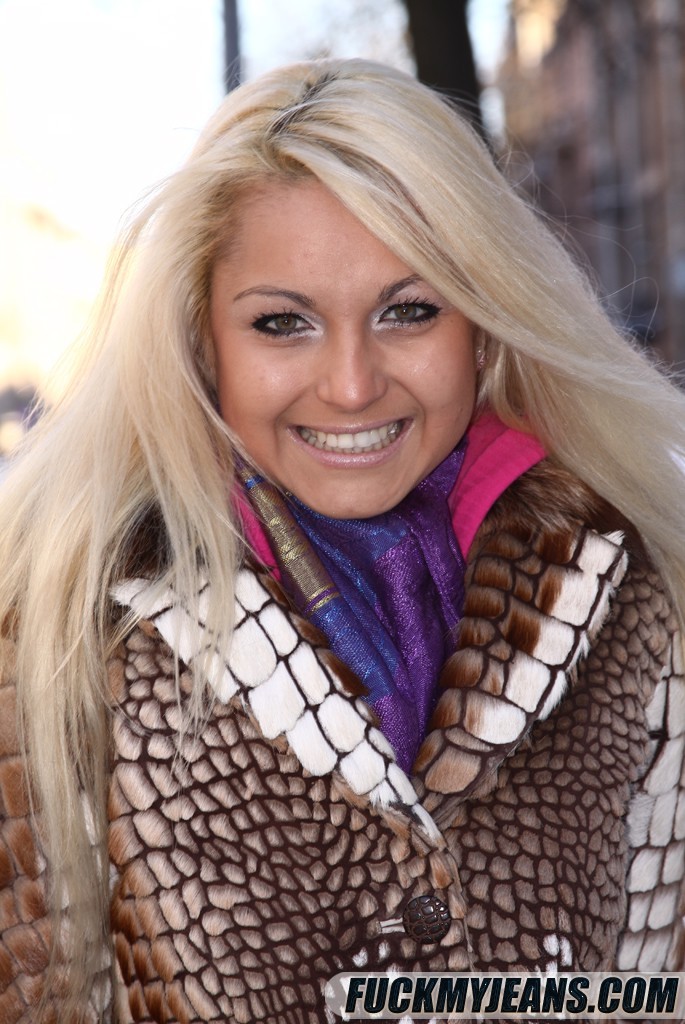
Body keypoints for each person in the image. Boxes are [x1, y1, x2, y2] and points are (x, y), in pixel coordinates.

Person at [0, 57, 684, 1024]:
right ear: (204, 341)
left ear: (482, 326)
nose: (353, 385)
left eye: (408, 311)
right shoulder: (63, 616)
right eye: (283, 324)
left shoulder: (631, 591)